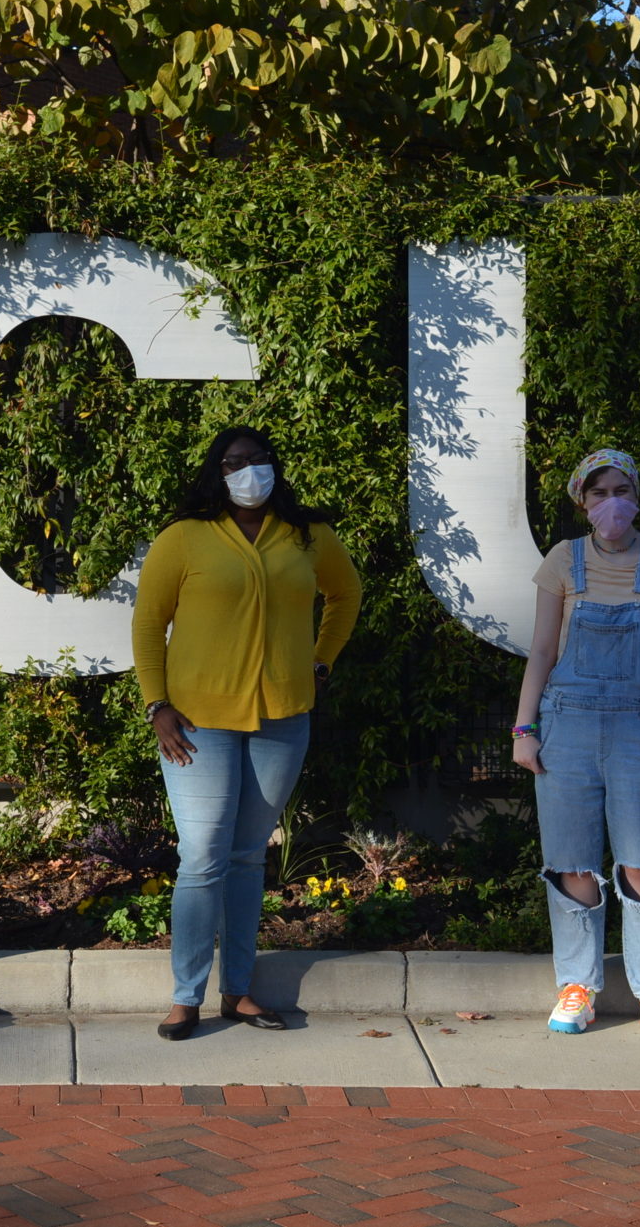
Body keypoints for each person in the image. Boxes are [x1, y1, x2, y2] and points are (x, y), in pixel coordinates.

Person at [131, 426, 362, 1040]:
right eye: (234, 462)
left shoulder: (308, 535)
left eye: (259, 459)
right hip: (195, 722)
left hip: (282, 717)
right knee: (202, 855)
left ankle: (237, 992)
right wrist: (157, 705)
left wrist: (320, 661)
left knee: (245, 855)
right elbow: (149, 624)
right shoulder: (184, 537)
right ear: (218, 471)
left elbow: (346, 595)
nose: (249, 470)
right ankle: (186, 997)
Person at [512, 448, 640, 1038]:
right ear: (582, 502)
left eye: (622, 491)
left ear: (636, 497)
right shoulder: (562, 560)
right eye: (599, 493)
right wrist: (523, 728)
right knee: (572, 863)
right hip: (565, 724)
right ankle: (577, 986)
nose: (611, 503)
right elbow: (543, 650)